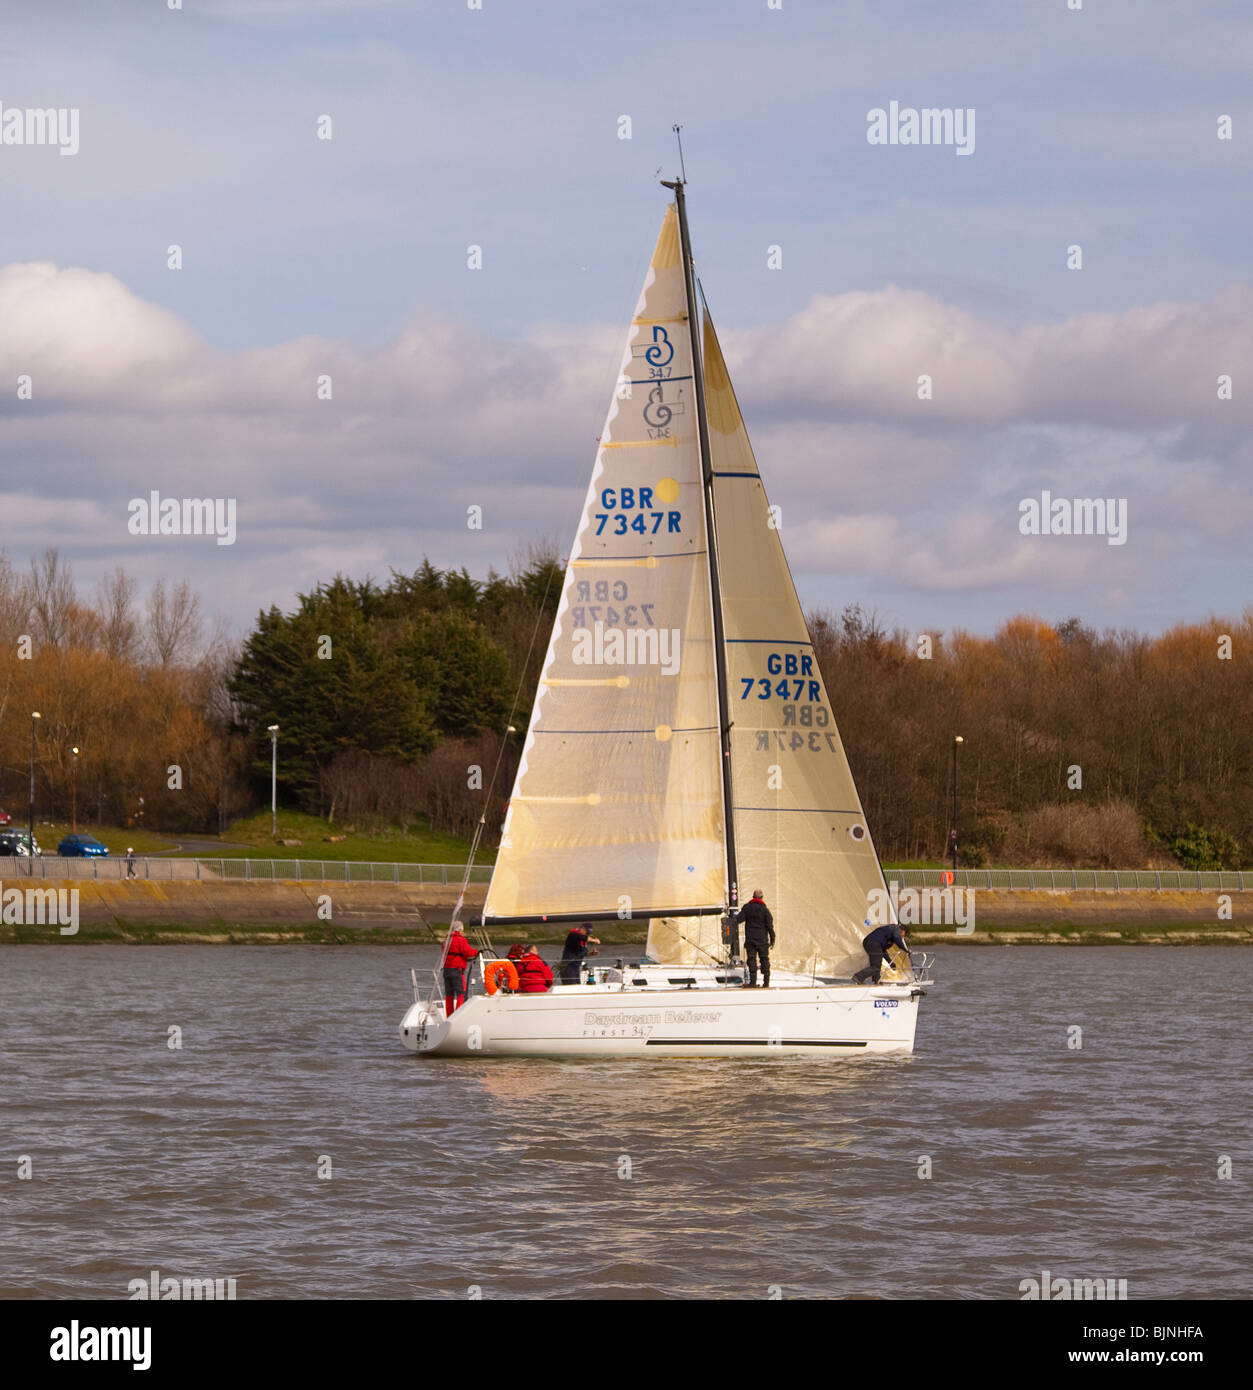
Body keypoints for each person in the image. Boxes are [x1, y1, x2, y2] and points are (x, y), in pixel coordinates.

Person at [737, 890, 774, 987]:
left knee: (752, 960)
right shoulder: (765, 910)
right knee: (764, 959)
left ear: (753, 897)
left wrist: (733, 917)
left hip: (751, 940)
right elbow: (770, 926)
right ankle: (766, 983)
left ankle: (752, 983)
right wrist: (772, 939)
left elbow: (739, 919)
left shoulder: (747, 908)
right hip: (762, 941)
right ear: (762, 898)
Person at [442, 925, 480, 1015]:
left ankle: (449, 1016)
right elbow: (467, 952)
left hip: (446, 970)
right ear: (459, 930)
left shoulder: (446, 940)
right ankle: (457, 1016)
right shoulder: (461, 940)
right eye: (462, 930)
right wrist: (476, 951)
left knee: (449, 995)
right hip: (456, 970)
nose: (463, 932)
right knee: (461, 994)